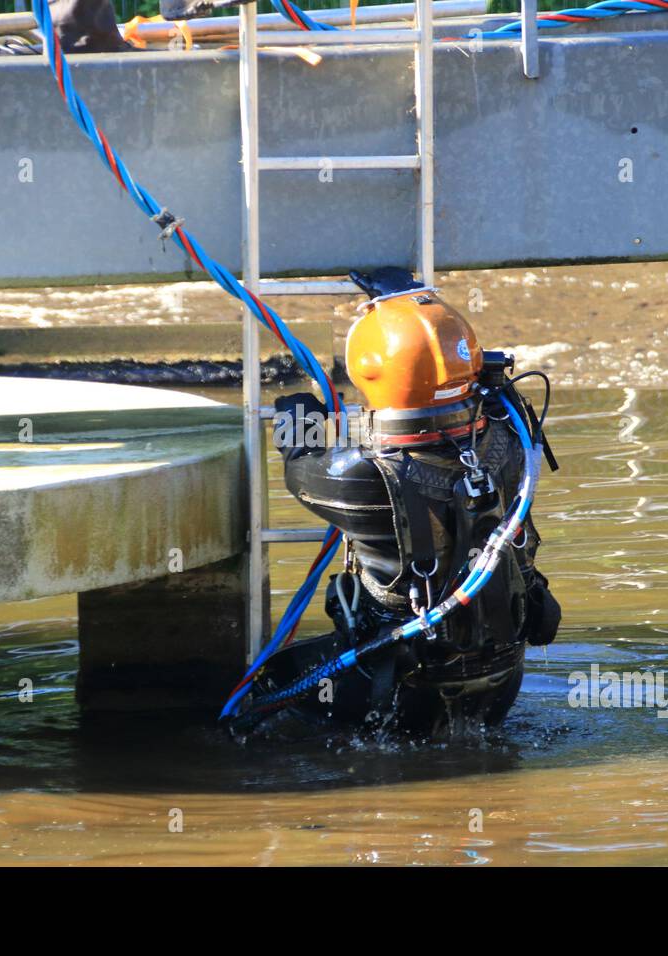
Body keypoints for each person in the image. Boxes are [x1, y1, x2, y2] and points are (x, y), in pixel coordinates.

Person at [228, 268, 562, 738]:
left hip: (399, 689)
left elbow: (299, 470)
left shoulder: (362, 475)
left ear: (372, 372)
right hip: (500, 683)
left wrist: (297, 416)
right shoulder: (514, 441)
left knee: (269, 690)